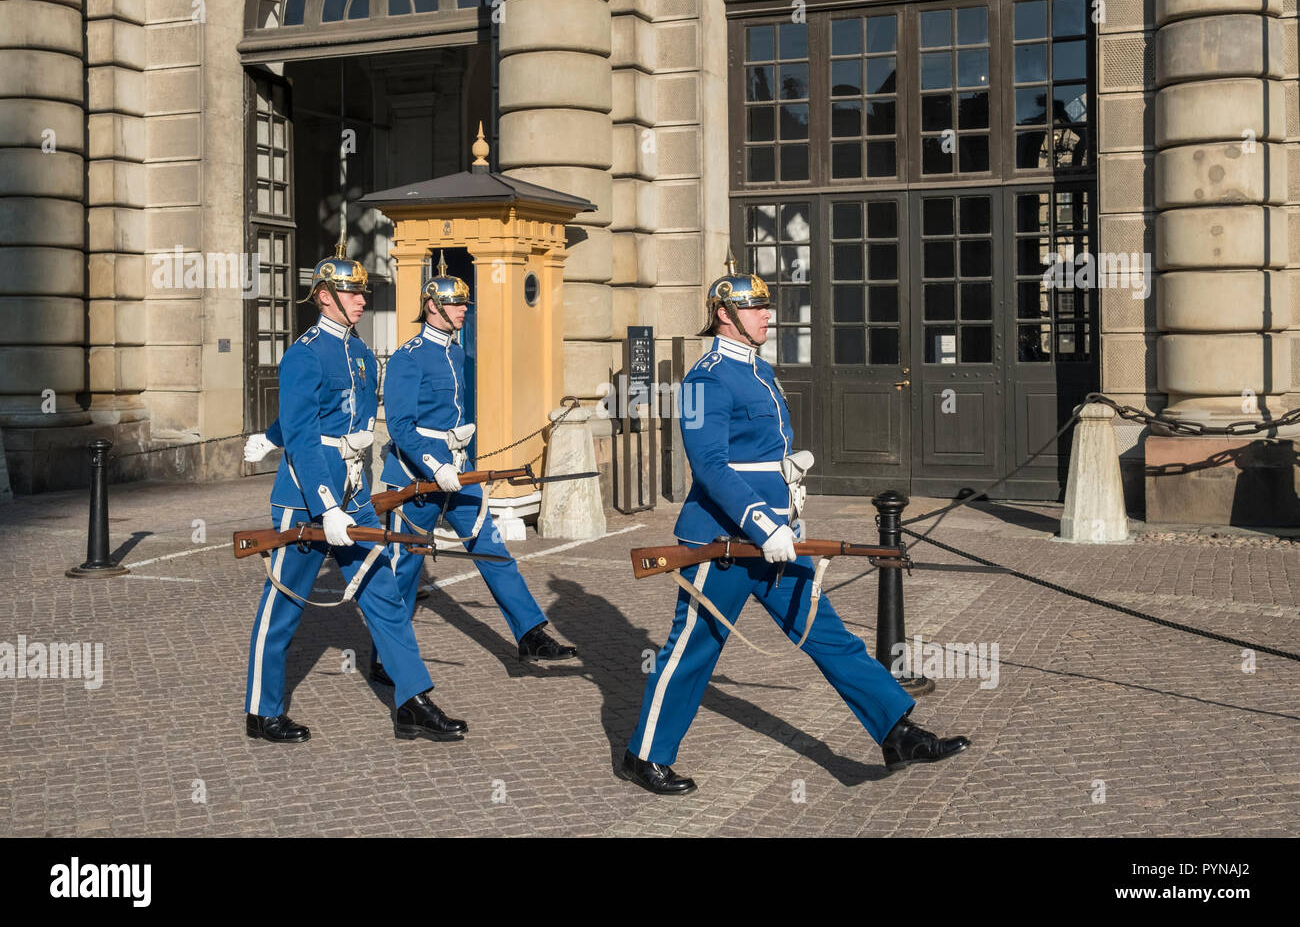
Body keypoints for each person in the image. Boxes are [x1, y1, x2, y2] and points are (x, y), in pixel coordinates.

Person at [619, 252, 971, 794]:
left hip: (777, 538)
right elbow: (709, 466)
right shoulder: (704, 380)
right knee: (692, 649)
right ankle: (645, 755)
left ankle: (896, 730)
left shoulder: (759, 368)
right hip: (725, 541)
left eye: (765, 306)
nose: (767, 316)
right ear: (723, 316)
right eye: (755, 308)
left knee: (830, 637)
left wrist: (783, 519)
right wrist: (764, 524)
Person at [242, 241, 467, 744]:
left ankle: (412, 700)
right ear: (324, 296)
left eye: (364, 292)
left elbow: (324, 414)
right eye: (352, 293)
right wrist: (324, 504)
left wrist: (272, 436)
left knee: (384, 595)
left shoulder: (362, 352)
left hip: (353, 491)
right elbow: (304, 433)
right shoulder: (304, 353)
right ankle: (262, 710)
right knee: (285, 605)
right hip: (306, 495)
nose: (363, 300)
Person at [367, 253, 577, 686]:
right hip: (416, 477)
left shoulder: (456, 351)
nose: (465, 310)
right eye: (457, 304)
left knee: (492, 548)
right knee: (406, 565)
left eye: (465, 304)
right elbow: (402, 425)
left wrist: (460, 452)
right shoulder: (409, 357)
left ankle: (531, 632)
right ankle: (386, 655)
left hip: (456, 472)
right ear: (433, 306)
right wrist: (435, 463)